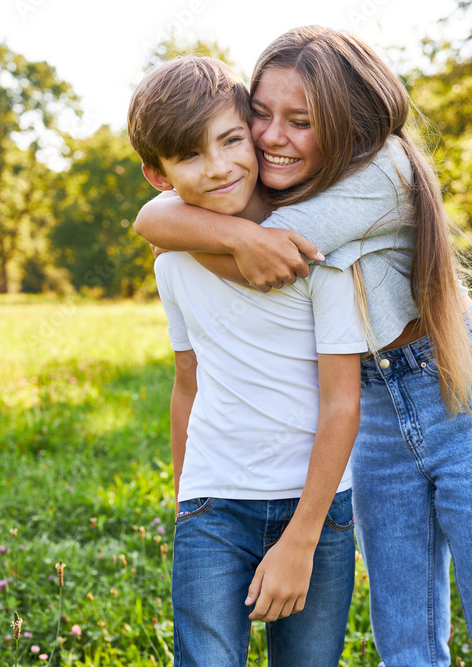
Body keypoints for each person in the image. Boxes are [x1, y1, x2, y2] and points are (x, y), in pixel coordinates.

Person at [134, 27, 472, 667]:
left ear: (346, 125)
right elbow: (167, 220)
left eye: (300, 121)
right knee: (406, 637)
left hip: (460, 389)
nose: (273, 137)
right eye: (262, 115)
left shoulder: (381, 170)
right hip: (371, 402)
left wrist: (189, 233)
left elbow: (252, 254)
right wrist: (185, 228)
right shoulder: (272, 179)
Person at [127, 56, 366, 667]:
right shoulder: (171, 262)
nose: (220, 166)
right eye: (190, 156)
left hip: (316, 509)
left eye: (232, 140)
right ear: (158, 175)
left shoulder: (323, 253)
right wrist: (184, 500)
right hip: (212, 504)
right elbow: (188, 383)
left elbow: (343, 399)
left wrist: (304, 537)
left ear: (251, 134)